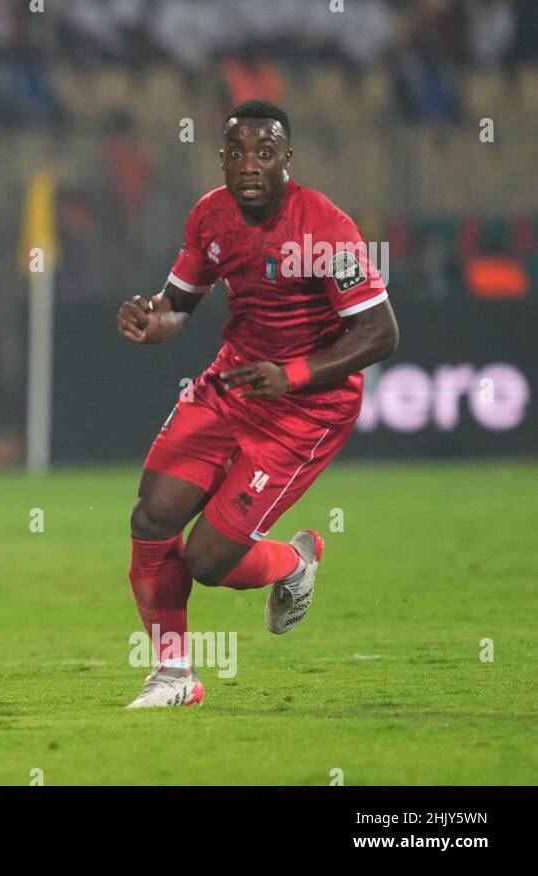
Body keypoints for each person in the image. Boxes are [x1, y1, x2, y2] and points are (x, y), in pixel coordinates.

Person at [117, 99, 399, 708]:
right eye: (236, 153)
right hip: (235, 381)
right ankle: (175, 676)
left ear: (286, 160)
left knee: (209, 561)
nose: (249, 165)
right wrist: (150, 322)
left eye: (263, 153)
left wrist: (293, 375)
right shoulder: (209, 217)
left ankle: (295, 564)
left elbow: (381, 333)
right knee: (151, 518)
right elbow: (178, 306)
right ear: (221, 159)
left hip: (307, 409)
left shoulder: (326, 228)